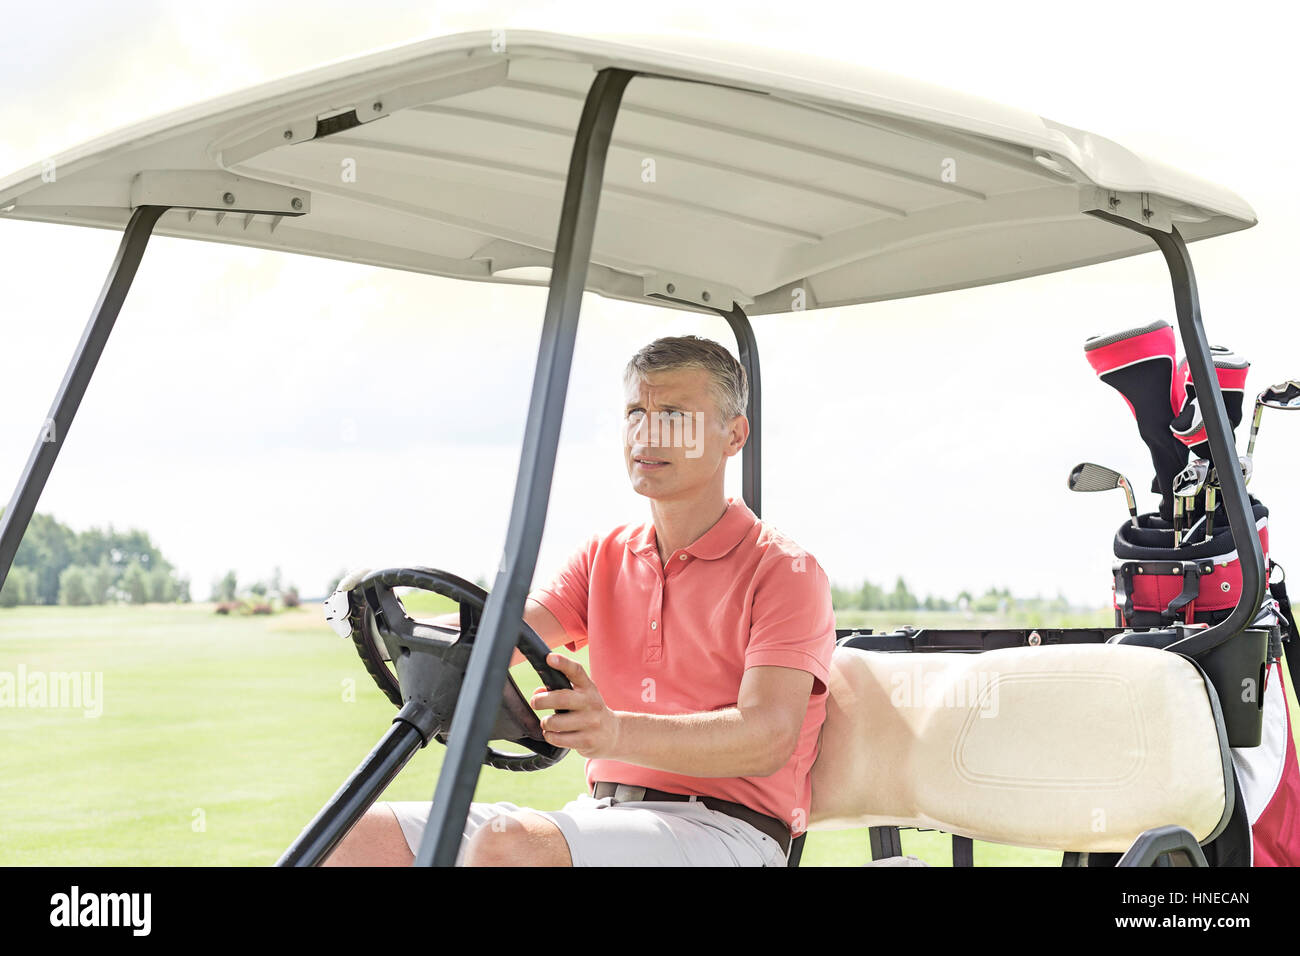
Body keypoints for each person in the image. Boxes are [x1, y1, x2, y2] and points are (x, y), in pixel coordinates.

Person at [324, 334, 836, 866]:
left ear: (734, 436)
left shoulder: (784, 571)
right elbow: (497, 637)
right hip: (607, 816)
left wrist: (615, 731)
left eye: (675, 415)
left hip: (730, 832)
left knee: (508, 846)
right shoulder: (606, 555)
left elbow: (768, 737)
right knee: (361, 832)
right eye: (636, 411)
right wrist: (384, 618)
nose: (647, 432)